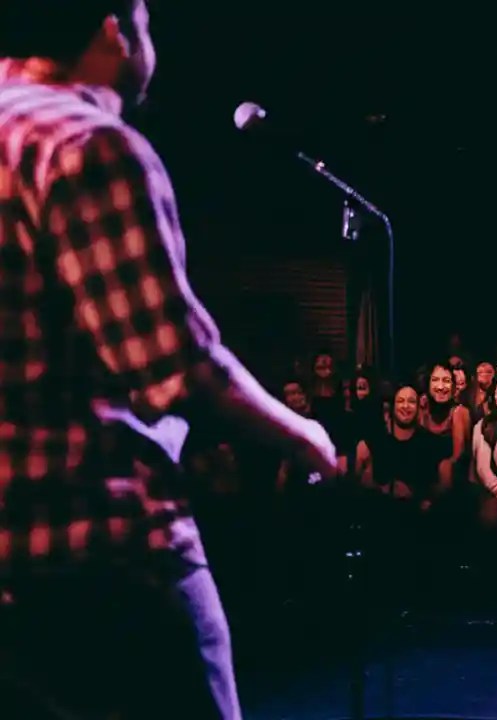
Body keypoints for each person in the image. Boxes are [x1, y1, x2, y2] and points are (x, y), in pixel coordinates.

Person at [0, 3, 338, 718]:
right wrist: (304, 435)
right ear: (113, 32)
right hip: (105, 553)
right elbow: (177, 367)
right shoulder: (87, 145)